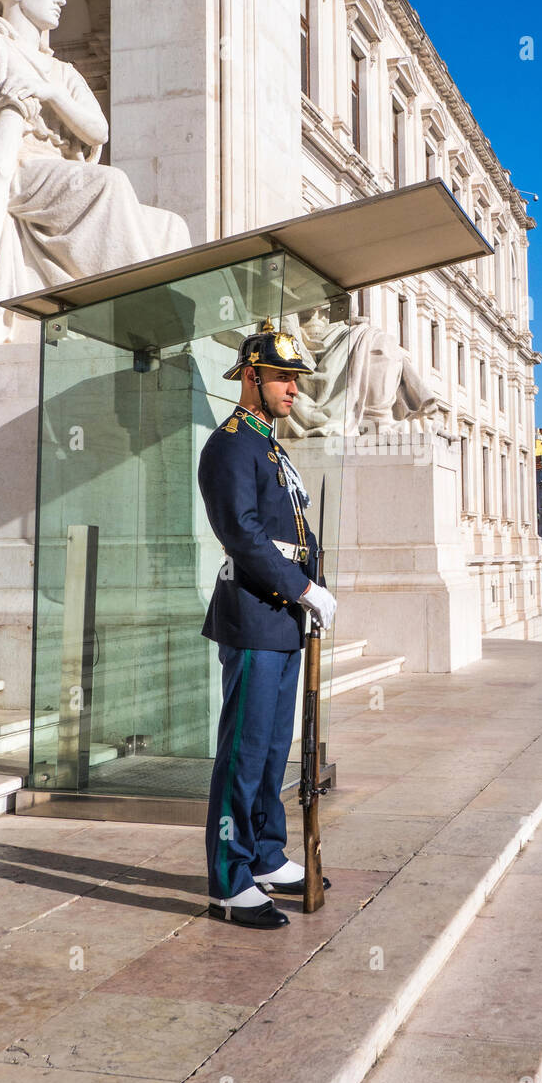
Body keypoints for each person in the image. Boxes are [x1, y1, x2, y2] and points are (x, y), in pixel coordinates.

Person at [0, 0, 189, 347]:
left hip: (55, 176)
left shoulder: (63, 73)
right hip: (10, 169)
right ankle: (143, 317)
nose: (62, 0)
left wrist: (51, 93)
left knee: (170, 227)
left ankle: (166, 322)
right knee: (107, 184)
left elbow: (98, 131)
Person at [198, 319, 338, 929]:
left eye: (295, 379)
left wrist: (312, 590)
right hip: (255, 613)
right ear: (250, 378)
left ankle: (265, 853)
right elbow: (242, 535)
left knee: (275, 747)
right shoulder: (231, 444)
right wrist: (301, 587)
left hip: (283, 616)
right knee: (244, 750)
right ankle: (230, 877)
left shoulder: (272, 446)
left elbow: (296, 533)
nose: (293, 390)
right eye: (282, 378)